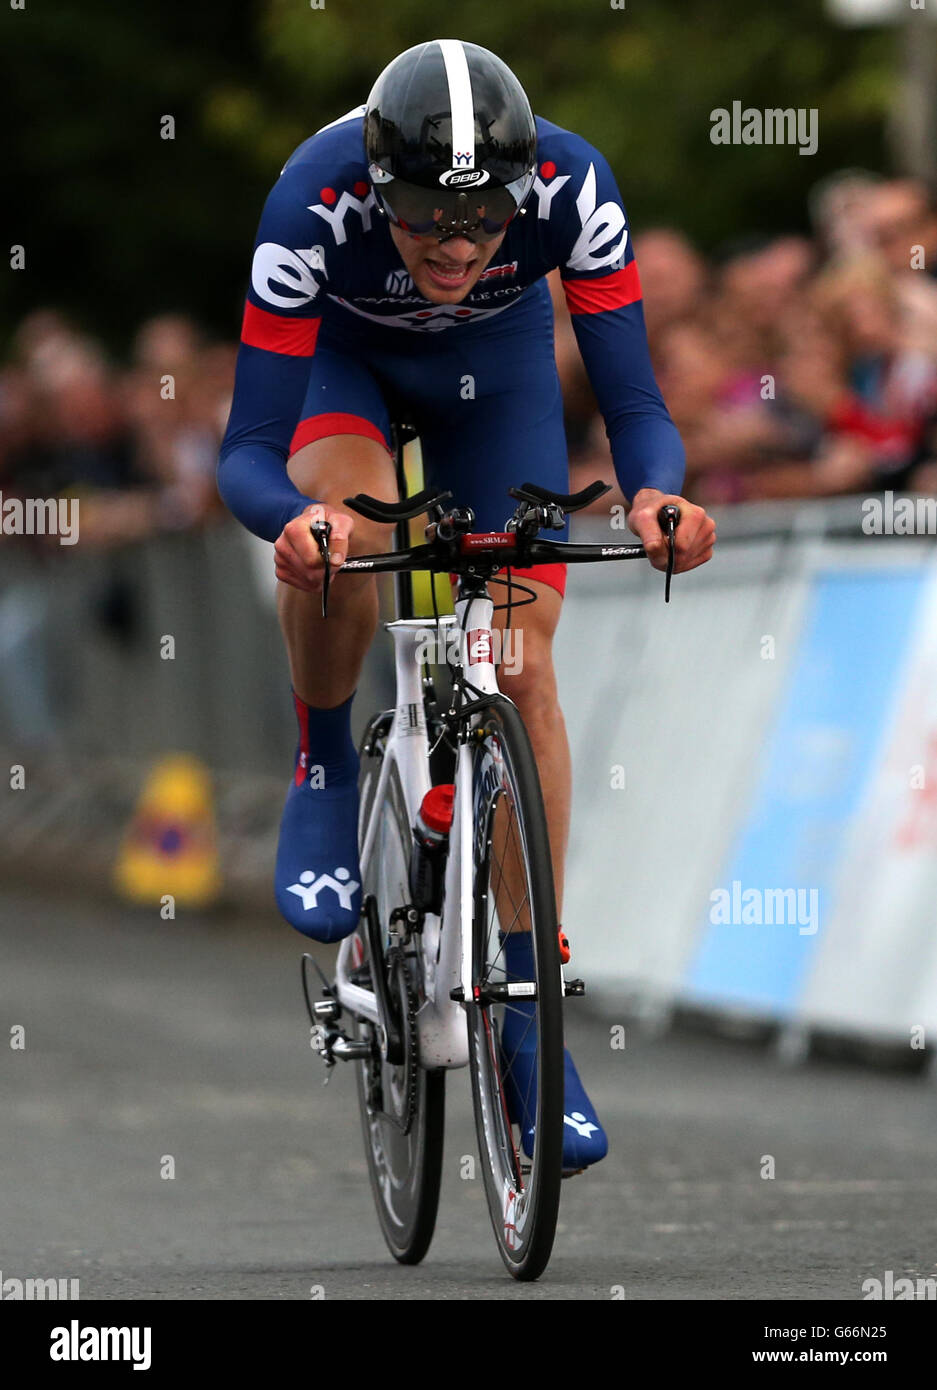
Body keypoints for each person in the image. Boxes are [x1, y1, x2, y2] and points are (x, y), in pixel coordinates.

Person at [218, 39, 715, 1171]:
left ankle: (532, 1016)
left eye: (483, 223)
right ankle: (324, 764)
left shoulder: (574, 186)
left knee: (524, 663)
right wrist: (292, 523)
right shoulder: (313, 197)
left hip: (495, 376)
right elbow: (247, 448)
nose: (453, 245)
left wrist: (657, 497)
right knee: (349, 532)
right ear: (376, 187)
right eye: (424, 220)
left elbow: (634, 398)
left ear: (522, 190)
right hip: (341, 367)